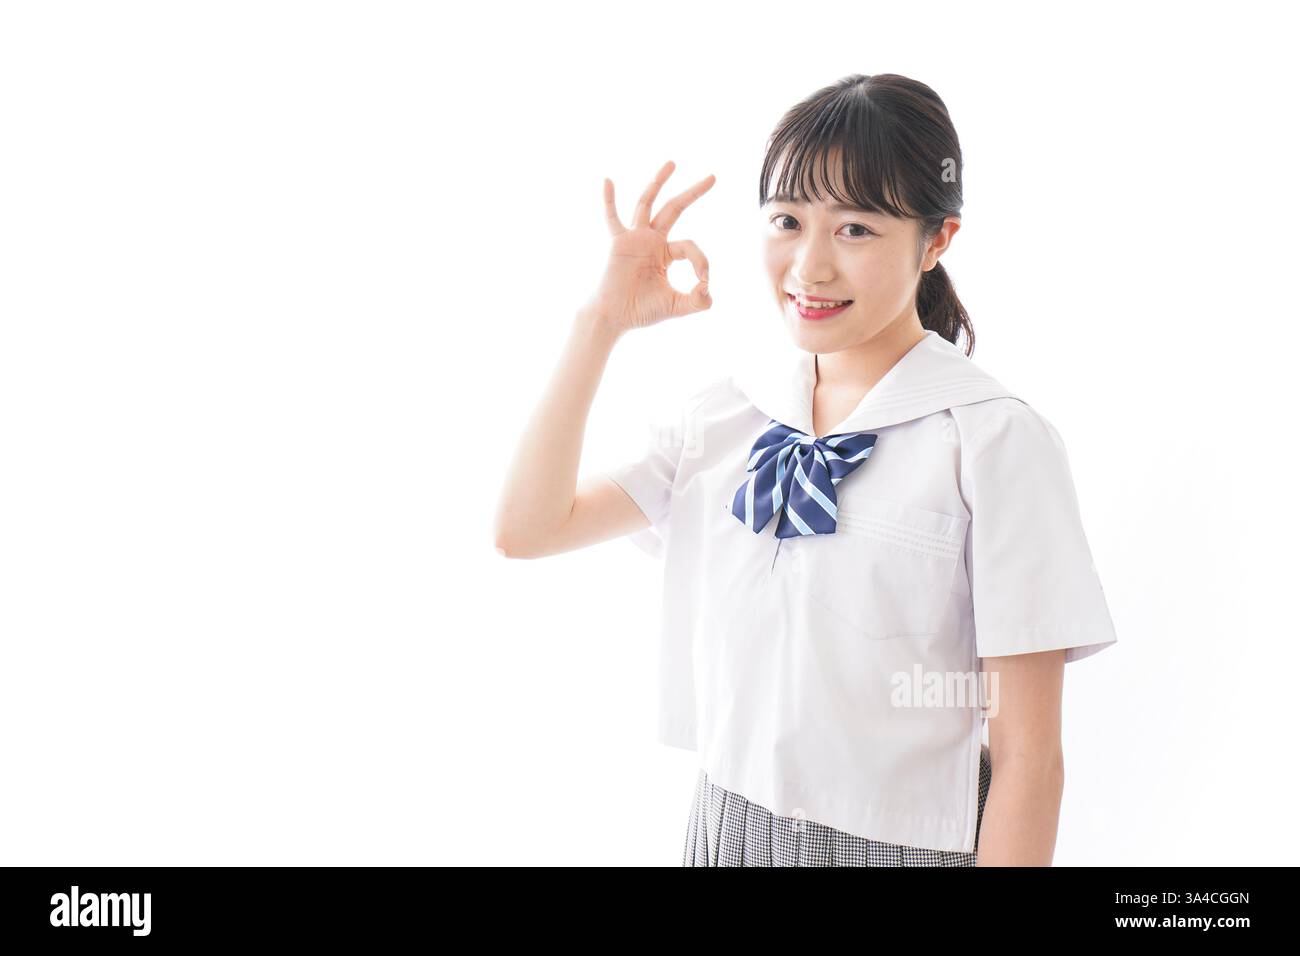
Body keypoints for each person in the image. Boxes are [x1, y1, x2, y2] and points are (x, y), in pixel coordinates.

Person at [492, 73, 1117, 867]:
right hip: (725, 829)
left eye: (856, 229)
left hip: (899, 848)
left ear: (937, 240)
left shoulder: (992, 442)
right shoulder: (729, 414)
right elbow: (526, 528)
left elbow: (1030, 760)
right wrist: (600, 323)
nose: (810, 267)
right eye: (788, 221)